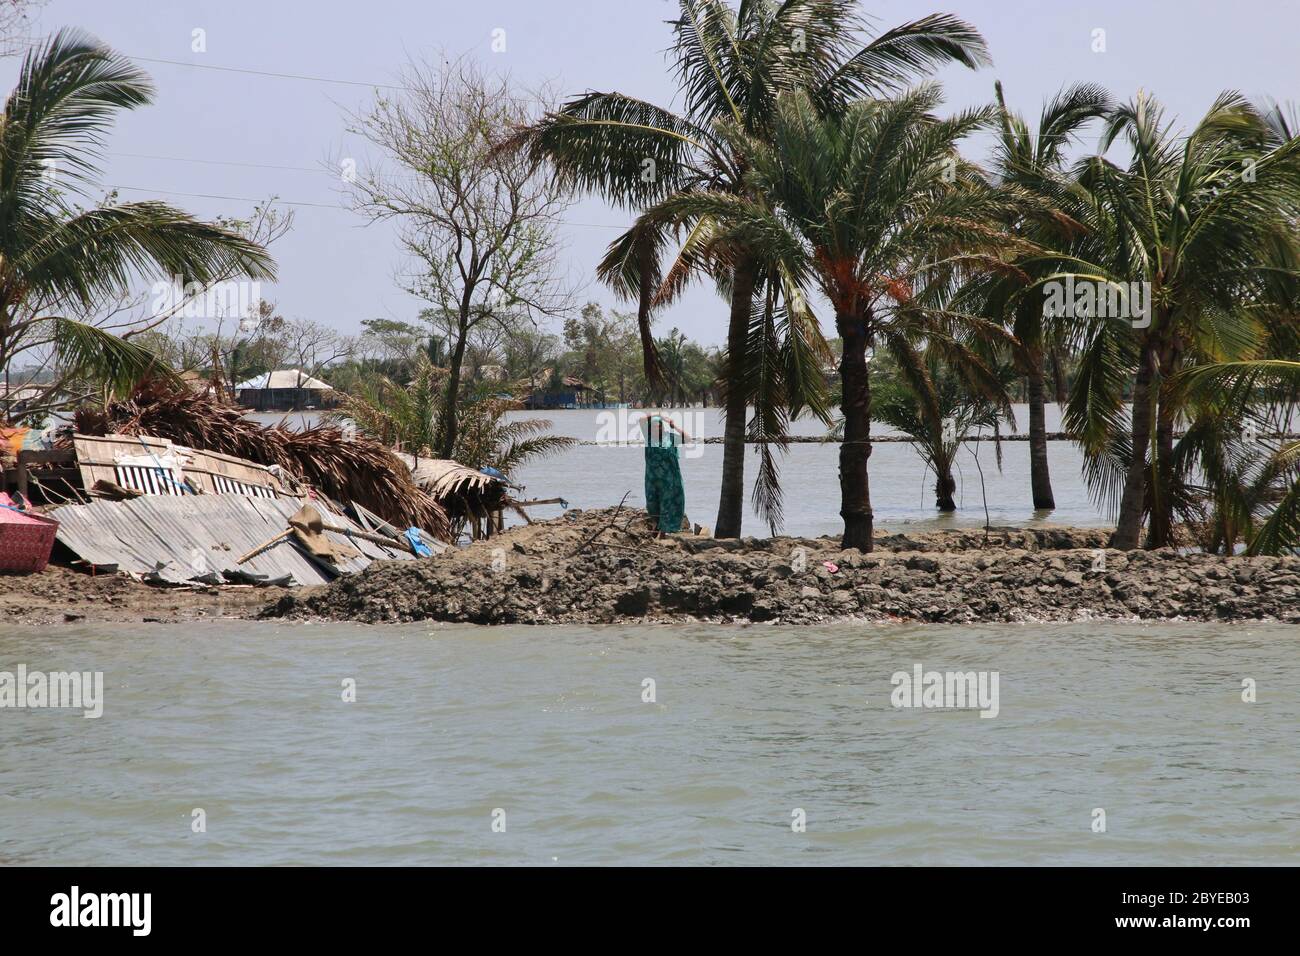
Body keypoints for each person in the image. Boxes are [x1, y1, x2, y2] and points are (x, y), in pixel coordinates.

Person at [640, 411, 688, 535]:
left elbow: (687, 438)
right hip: (652, 480)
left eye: (659, 425)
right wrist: (659, 414)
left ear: (662, 426)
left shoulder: (670, 437)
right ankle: (657, 527)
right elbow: (641, 419)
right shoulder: (648, 437)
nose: (657, 427)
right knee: (652, 505)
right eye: (655, 426)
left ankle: (665, 532)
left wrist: (674, 425)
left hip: (670, 481)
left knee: (668, 505)